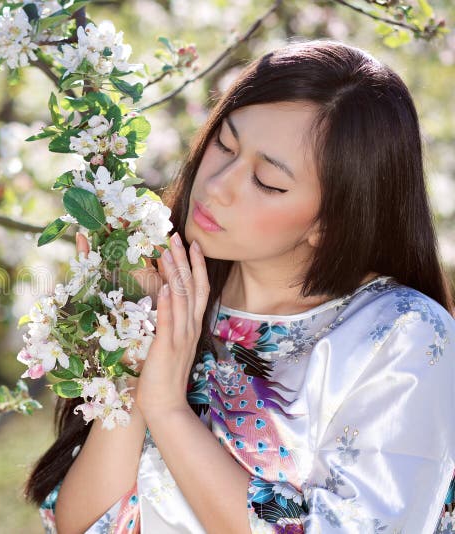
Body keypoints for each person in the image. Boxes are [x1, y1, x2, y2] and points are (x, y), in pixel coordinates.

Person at [23, 38, 455, 533]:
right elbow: (79, 527)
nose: (218, 184)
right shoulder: (167, 298)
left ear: (333, 220)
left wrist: (167, 409)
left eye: (268, 181)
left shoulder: (402, 335)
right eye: (224, 144)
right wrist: (133, 363)